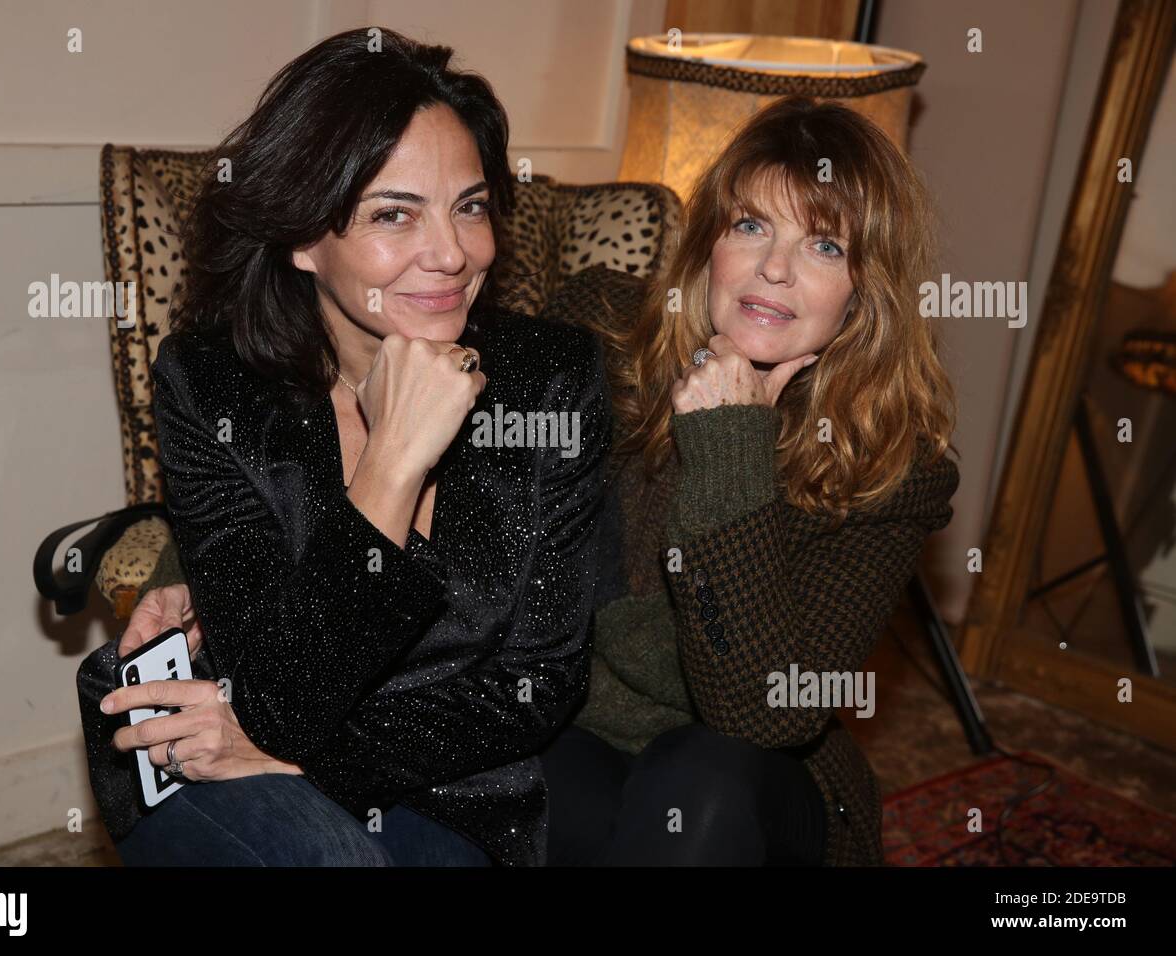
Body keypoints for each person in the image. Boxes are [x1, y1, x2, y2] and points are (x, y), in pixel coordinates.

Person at [122, 96, 960, 866]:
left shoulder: (894, 468)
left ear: (866, 290)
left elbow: (762, 715)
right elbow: (328, 470)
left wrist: (732, 447)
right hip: (564, 736)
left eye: (823, 246)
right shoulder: (602, 335)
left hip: (751, 784)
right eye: (750, 226)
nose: (774, 269)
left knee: (696, 780)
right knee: (486, 799)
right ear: (710, 241)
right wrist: (192, 568)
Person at [75, 26, 611, 868]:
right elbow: (277, 694)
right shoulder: (213, 385)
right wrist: (393, 463)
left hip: (456, 788)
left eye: (469, 206)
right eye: (394, 214)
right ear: (301, 235)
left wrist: (304, 752)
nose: (452, 253)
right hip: (225, 763)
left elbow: (540, 683)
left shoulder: (550, 380)